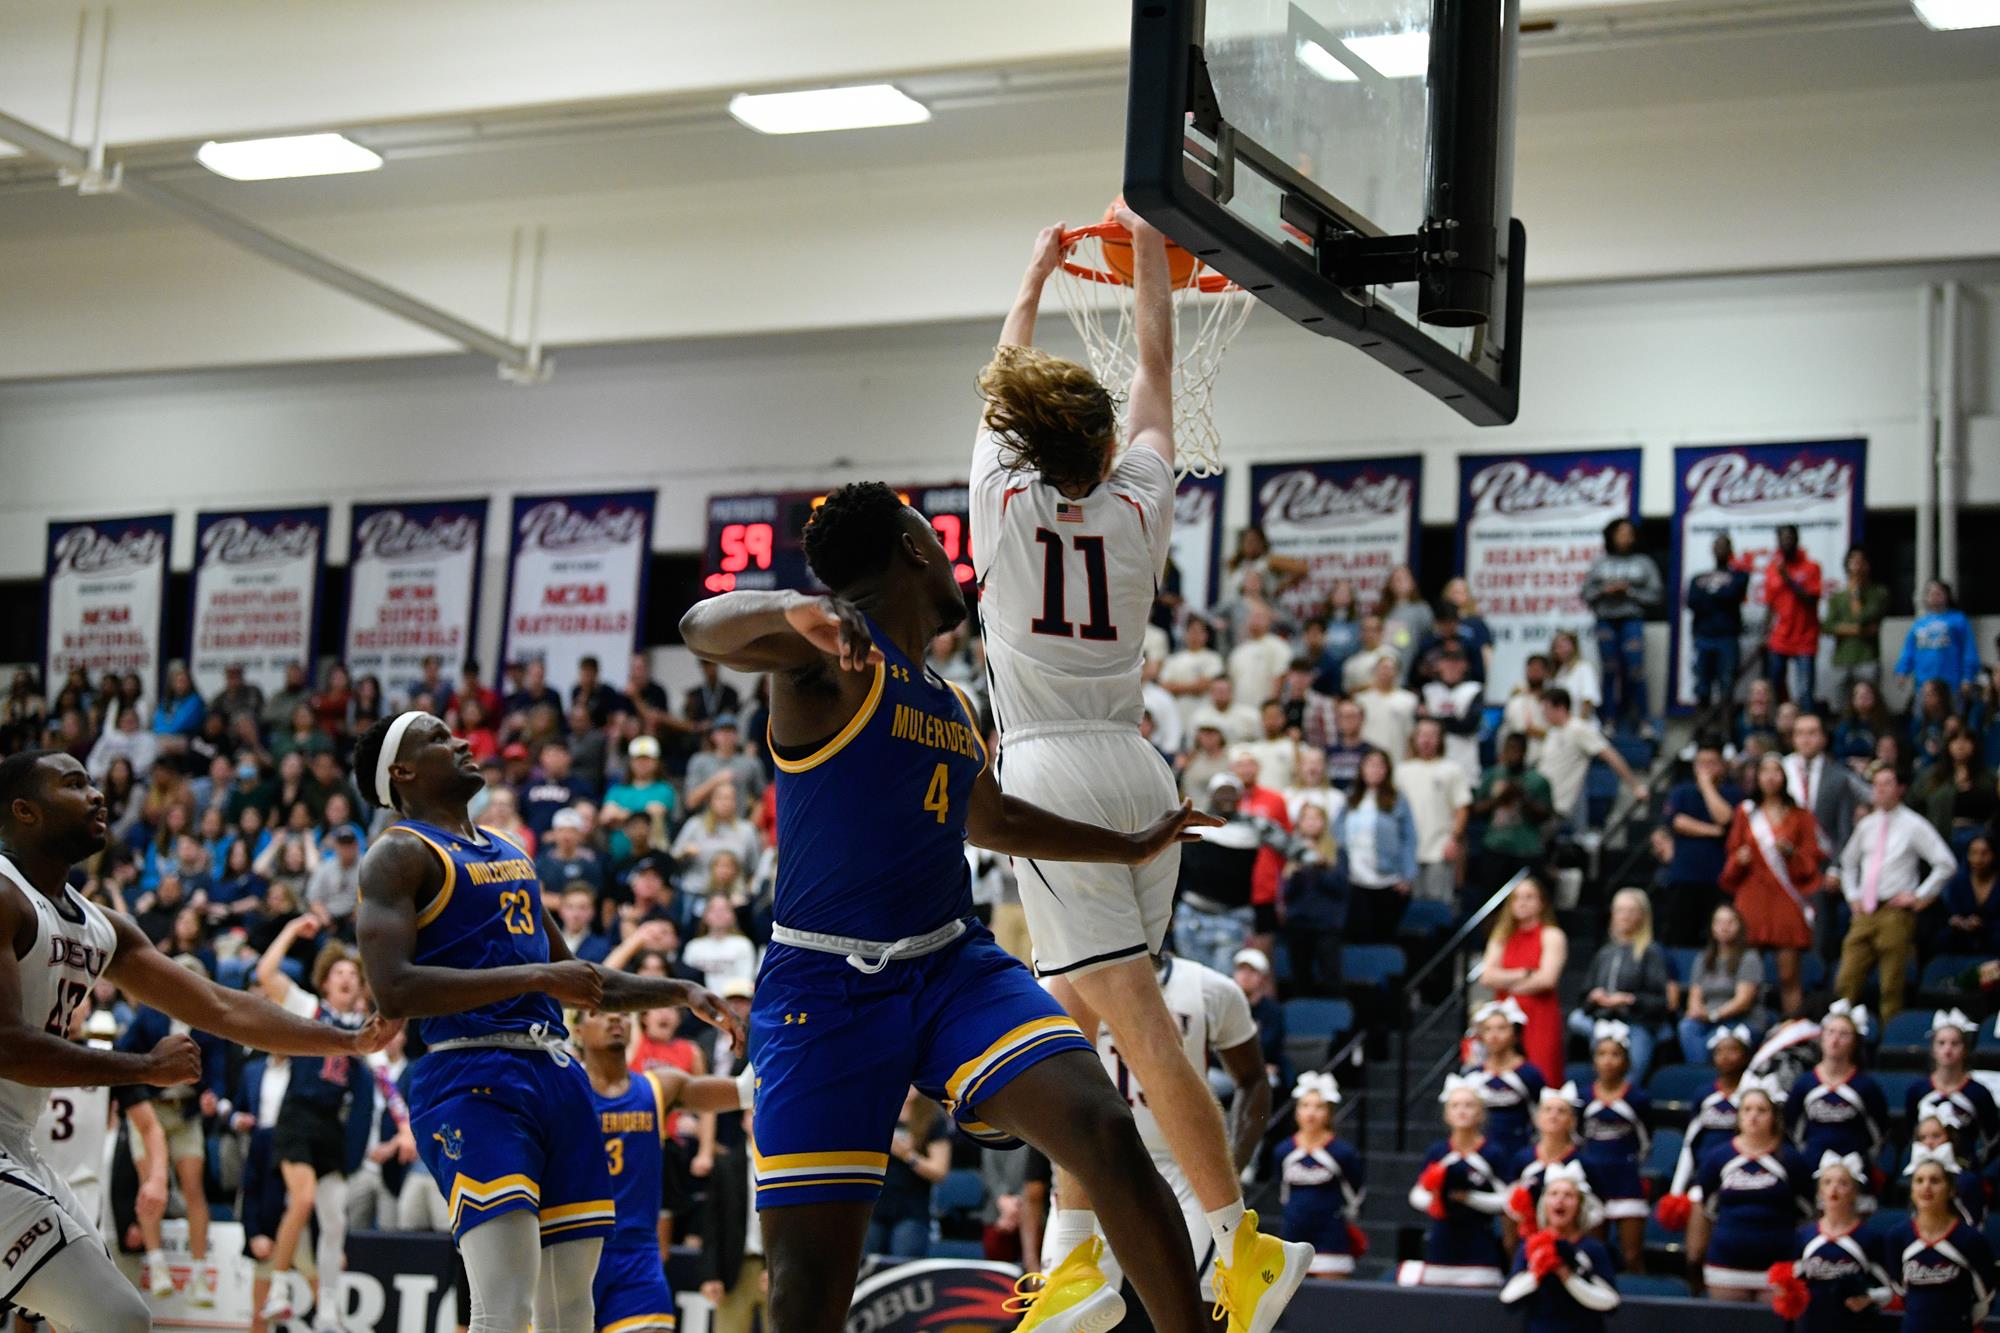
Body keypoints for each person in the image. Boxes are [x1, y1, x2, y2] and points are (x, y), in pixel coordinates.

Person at [677, 471, 1264, 1333]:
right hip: (826, 988)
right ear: (917, 547)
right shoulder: (829, 661)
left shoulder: (949, 701)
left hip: (953, 966)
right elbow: (701, 625)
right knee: (806, 1294)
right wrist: (788, 606)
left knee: (1102, 1124)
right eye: (936, 537)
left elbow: (991, 815)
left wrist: (1129, 843)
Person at [351, 712, 741, 1333]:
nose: (460, 741)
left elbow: (580, 979)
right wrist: (533, 979)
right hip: (470, 1075)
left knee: (571, 1310)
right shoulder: (398, 853)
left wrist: (682, 990)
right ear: (402, 772)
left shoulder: (510, 851)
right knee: (502, 1307)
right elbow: (393, 990)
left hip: (556, 1075)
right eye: (436, 739)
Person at [0, 748, 398, 1333]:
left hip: (20, 1146)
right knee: (115, 1318)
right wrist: (142, 1066)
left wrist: (349, 1040)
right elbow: (7, 1045)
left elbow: (220, 1006)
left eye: (93, 782)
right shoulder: (3, 893)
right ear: (24, 811)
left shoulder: (99, 923)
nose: (97, 795)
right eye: (74, 784)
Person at [1056, 951, 1270, 1302]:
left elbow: (1254, 1080)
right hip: (1093, 1167)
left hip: (1185, 1171)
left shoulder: (1209, 988)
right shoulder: (1058, 982)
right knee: (1071, 1310)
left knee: (1201, 1305)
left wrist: (1232, 1166)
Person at [1835, 763, 1956, 1020]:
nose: (1880, 790)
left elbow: (1946, 863)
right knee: (1846, 979)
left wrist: (1921, 895)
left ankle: (1886, 1041)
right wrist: (1852, 895)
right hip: (1865, 912)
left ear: (1900, 789)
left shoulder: (1914, 824)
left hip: (1895, 912)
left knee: (1891, 986)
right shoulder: (1867, 824)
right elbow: (1847, 862)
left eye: (1886, 784)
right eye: (1876, 785)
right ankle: (1841, 1036)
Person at [1722, 753, 1825, 1016]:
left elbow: (1812, 861)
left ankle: (1793, 1028)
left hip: (1785, 898)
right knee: (1746, 971)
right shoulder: (1746, 812)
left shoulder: (1800, 816)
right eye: (1764, 771)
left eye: (1775, 771)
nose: (1770, 777)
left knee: (1789, 975)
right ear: (1757, 777)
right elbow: (1731, 861)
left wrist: (1791, 853)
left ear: (1784, 777)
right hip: (1753, 897)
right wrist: (1740, 859)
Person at [1698, 1080, 1813, 1300]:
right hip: (1726, 1265)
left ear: (1774, 1117)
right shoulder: (1718, 1158)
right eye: (1747, 1109)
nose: (1753, 1116)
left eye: (1762, 1110)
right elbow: (1708, 1208)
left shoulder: (1791, 1160)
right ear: (1738, 1116)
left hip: (1778, 1265)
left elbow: (1807, 1212)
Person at [1656, 1024, 1751, 1262]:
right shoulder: (1704, 1095)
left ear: (1745, 1055)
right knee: (1695, 1254)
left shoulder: (1753, 1096)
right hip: (1705, 1179)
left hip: (1742, 1179)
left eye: (1733, 1050)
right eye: (1720, 1051)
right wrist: (1677, 1191)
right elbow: (1690, 1143)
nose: (1726, 1057)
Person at [1405, 1075, 1510, 1288]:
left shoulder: (1493, 1153)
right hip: (1441, 1246)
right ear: (1447, 1114)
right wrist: (1439, 1201)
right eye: (1455, 1106)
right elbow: (1417, 1195)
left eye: (1469, 1105)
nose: (1462, 1111)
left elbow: (1507, 1200)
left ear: (1481, 1112)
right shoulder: (1438, 1152)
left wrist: (1468, 1197)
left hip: (1479, 1249)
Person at [1497, 1165, 1620, 1333]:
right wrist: (1538, 1271)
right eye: (1553, 1194)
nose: (1560, 1200)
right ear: (1544, 1203)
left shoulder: (1593, 1249)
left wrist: (1567, 1275)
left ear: (1580, 1205)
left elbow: (1610, 1302)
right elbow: (1508, 1298)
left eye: (1568, 1195)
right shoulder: (1530, 1246)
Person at [1569, 888, 1674, 1083]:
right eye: (1619, 910)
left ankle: (1627, 1094)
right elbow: (1583, 997)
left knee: (1631, 1076)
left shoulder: (1651, 952)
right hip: (1603, 1019)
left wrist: (1628, 1000)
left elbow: (1661, 1002)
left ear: (1642, 916)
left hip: (1636, 1021)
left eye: (1630, 911)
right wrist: (1595, 998)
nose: (1624, 916)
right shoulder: (1605, 953)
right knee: (1576, 1019)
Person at [1783, 1151, 1893, 1332]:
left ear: (1855, 1191)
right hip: (1812, 1324)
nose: (1834, 1189)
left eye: (1843, 1183)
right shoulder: (1804, 1236)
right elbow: (1791, 1284)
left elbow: (1889, 1291)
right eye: (1827, 1182)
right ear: (1820, 1190)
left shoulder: (1868, 1238)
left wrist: (1868, 1298)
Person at [1268, 1073, 1363, 1280]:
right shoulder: (1283, 1151)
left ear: (1329, 1113)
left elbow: (1355, 1194)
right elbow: (1282, 1192)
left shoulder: (1342, 1153)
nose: (1311, 1113)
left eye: (1319, 1107)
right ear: (1296, 1111)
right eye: (1305, 1106)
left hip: (1330, 1236)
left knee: (1330, 1302)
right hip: (1293, 1234)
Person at [1894, 1146, 1998, 1332]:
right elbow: (1901, 1292)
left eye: (1935, 1180)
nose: (1926, 1186)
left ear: (1951, 1190)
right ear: (1911, 1190)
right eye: (1919, 1180)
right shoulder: (1897, 1237)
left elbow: (1986, 1298)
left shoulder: (1970, 1239)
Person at [1575, 1024, 1649, 1272]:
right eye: (1602, 1054)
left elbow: (1646, 1141)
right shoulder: (1583, 1098)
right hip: (1593, 1180)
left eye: (1615, 1054)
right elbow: (1578, 1137)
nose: (1608, 1061)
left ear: (1627, 1061)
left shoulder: (1637, 1099)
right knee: (1595, 1254)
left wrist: (1629, 1163)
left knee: (1632, 1255)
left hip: (1626, 1180)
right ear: (1594, 1060)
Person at [1480, 877, 1567, 1087]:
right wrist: (1525, 973)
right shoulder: (1501, 935)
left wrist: (1507, 983)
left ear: (1541, 902)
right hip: (1505, 1020)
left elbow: (1547, 979)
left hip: (1539, 1015)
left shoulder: (1552, 935)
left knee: (1542, 1073)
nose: (1522, 903)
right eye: (1517, 898)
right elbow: (1487, 976)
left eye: (1529, 897)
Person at [1785, 1003, 1888, 1179]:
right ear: (1821, 1037)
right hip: (1811, 1170)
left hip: (1854, 1171)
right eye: (1831, 1032)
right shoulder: (1805, 1084)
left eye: (1844, 1034)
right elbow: (1792, 1128)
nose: (1835, 1039)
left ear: (1855, 1042)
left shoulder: (1865, 1086)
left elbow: (1878, 1132)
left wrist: (1864, 1161)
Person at [1580, 517, 1663, 734]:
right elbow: (1586, 593)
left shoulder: (1643, 563)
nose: (1625, 538)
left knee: (1635, 669)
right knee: (1609, 670)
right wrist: (1604, 591)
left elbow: (1656, 595)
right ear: (1611, 536)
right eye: (1621, 533)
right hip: (1606, 620)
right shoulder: (1600, 564)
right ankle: (1609, 720)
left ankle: (1644, 721)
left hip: (1631, 619)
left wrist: (1629, 591)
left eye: (1629, 533)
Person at [1660, 737, 1741, 948]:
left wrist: (1707, 788)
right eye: (1701, 763)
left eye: (1711, 763)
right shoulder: (1681, 791)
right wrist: (1714, 831)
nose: (1706, 768)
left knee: (1718, 938)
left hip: (1719, 877)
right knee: (1680, 935)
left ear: (1722, 766)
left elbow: (1725, 817)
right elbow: (1677, 821)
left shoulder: (1733, 793)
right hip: (1684, 876)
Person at [1535, 689, 1646, 835]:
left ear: (1560, 708)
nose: (1543, 714)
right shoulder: (1552, 732)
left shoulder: (1579, 729)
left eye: (1546, 709)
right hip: (1538, 801)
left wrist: (1635, 785)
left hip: (1555, 805)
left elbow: (1610, 755)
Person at [1337, 749, 1418, 945]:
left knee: (1382, 937)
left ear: (1387, 770)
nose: (1374, 770)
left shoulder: (1397, 799)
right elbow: (1337, 834)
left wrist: (1407, 875)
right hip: (1355, 879)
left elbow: (1409, 838)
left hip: (1388, 880)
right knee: (1356, 936)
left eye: (1379, 765)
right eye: (1370, 764)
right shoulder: (1351, 797)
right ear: (1361, 769)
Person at [1908, 1009, 1998, 1167]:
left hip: (1966, 1168)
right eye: (1941, 1043)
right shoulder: (1918, 1090)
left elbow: (1992, 1139)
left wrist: (1978, 1168)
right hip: (1925, 1167)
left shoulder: (1978, 1093)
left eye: (1955, 1044)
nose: (1948, 1050)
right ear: (1933, 1050)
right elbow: (1912, 1134)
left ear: (1965, 1050)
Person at [1464, 999, 1547, 1167]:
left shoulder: (1529, 1075)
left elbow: (1542, 1117)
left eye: (1501, 1029)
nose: (1494, 1035)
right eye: (1488, 1029)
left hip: (1519, 1153)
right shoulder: (1473, 1076)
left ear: (1515, 1034)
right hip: (1481, 1157)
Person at [1471, 734, 1552, 899]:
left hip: (1526, 848)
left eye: (1518, 749)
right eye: (1510, 749)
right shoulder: (1492, 776)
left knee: (1526, 897)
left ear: (1525, 752)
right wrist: (1499, 798)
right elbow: (1476, 810)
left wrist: (1523, 797)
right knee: (1490, 900)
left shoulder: (1537, 780)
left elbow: (1546, 814)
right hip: (1495, 845)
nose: (1513, 754)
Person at [1678, 903, 1764, 1059]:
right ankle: (1701, 1073)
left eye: (1730, 922)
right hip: (1707, 1018)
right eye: (1719, 922)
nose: (1724, 927)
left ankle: (1714, 1077)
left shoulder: (1749, 957)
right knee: (1687, 1026)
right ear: (1712, 927)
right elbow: (1694, 995)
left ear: (1740, 927)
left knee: (1719, 1036)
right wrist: (1696, 1011)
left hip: (1741, 1019)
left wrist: (1714, 1015)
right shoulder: (1703, 958)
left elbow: (1743, 1001)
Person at [1401, 718, 1472, 905]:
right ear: (1415, 738)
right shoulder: (1402, 770)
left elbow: (1462, 807)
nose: (1426, 740)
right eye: (1422, 735)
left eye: (1432, 736)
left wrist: (1454, 839)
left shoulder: (1452, 769)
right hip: (1408, 852)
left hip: (1439, 849)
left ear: (1440, 739)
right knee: (1409, 908)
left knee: (1437, 906)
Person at [1686, 534, 1751, 709]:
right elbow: (1692, 601)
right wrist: (1719, 595)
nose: (1720, 549)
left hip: (1727, 637)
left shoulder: (1740, 576)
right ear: (1712, 549)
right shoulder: (1698, 578)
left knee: (1727, 686)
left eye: (1724, 546)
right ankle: (1701, 733)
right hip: (1703, 637)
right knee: (1702, 686)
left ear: (1730, 550)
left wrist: (1709, 595)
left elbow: (1733, 596)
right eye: (1717, 545)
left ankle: (1725, 733)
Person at [1764, 525, 1824, 706]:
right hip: (1780, 638)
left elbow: (1811, 600)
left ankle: (1804, 728)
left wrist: (1788, 579)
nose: (1786, 541)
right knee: (1775, 687)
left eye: (1790, 537)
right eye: (1782, 538)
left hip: (1805, 638)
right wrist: (1764, 634)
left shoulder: (1811, 567)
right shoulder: (1772, 569)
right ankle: (1782, 725)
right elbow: (1770, 605)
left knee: (1805, 691)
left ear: (1797, 540)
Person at [1896, 580, 1980, 704]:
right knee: (1923, 718)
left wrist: (1968, 677)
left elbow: (1969, 650)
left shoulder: (1959, 619)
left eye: (1939, 592)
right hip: (1923, 684)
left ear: (1947, 596)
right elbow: (1909, 650)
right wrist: (1902, 670)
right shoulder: (1919, 624)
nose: (1935, 596)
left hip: (1951, 683)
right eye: (1931, 593)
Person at [1824, 548, 1889, 700]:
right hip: (1842, 658)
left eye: (1861, 562)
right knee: (1841, 704)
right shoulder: (1838, 597)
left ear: (1868, 566)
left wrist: (1855, 596)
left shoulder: (1879, 593)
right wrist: (1857, 630)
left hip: (1867, 657)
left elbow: (1863, 618)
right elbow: (1827, 626)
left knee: (1869, 701)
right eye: (1853, 562)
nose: (1857, 566)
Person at [1934, 835, 2000, 956]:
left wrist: (1984, 924)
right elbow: (1951, 912)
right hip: (1962, 934)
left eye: (1984, 853)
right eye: (1973, 853)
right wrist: (1957, 920)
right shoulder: (1958, 881)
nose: (1978, 859)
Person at [1355, 656, 1418, 761]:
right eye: (1382, 668)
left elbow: (1411, 734)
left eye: (1390, 668)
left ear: (1397, 672)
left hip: (1397, 756)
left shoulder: (1409, 700)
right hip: (1367, 757)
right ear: (1374, 671)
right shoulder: (1360, 700)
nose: (1386, 672)